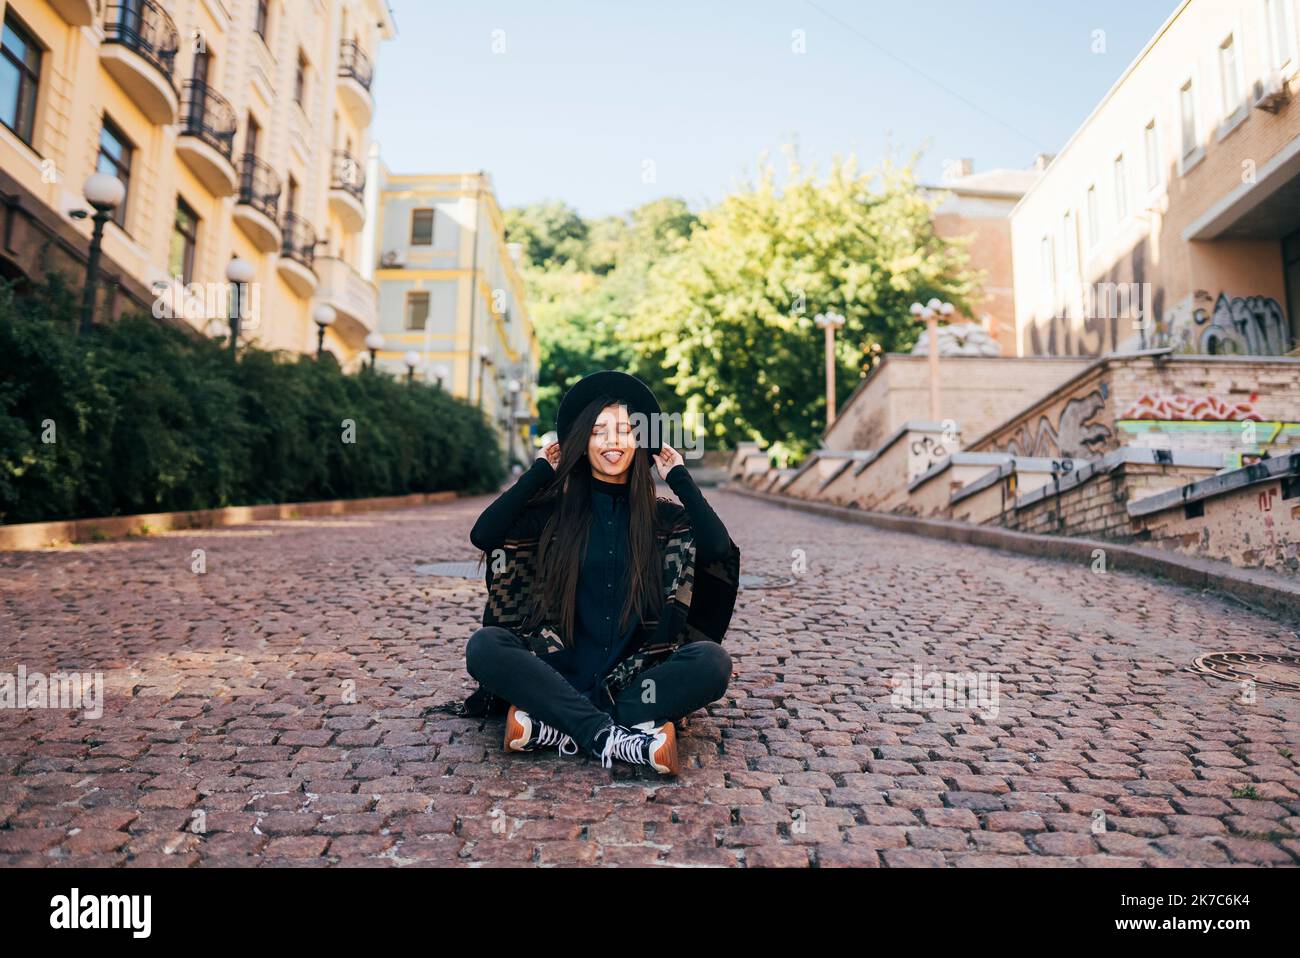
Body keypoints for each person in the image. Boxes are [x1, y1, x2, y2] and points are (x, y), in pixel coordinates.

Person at [459, 370, 739, 776]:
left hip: (634, 679)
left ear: (640, 441)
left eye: (624, 430)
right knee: (485, 646)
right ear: (581, 443)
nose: (612, 441)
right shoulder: (554, 514)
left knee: (712, 662)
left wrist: (678, 474)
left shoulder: (663, 520)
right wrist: (540, 471)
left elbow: (716, 549)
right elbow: (484, 533)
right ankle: (613, 737)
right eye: (597, 431)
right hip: (557, 672)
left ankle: (554, 726)